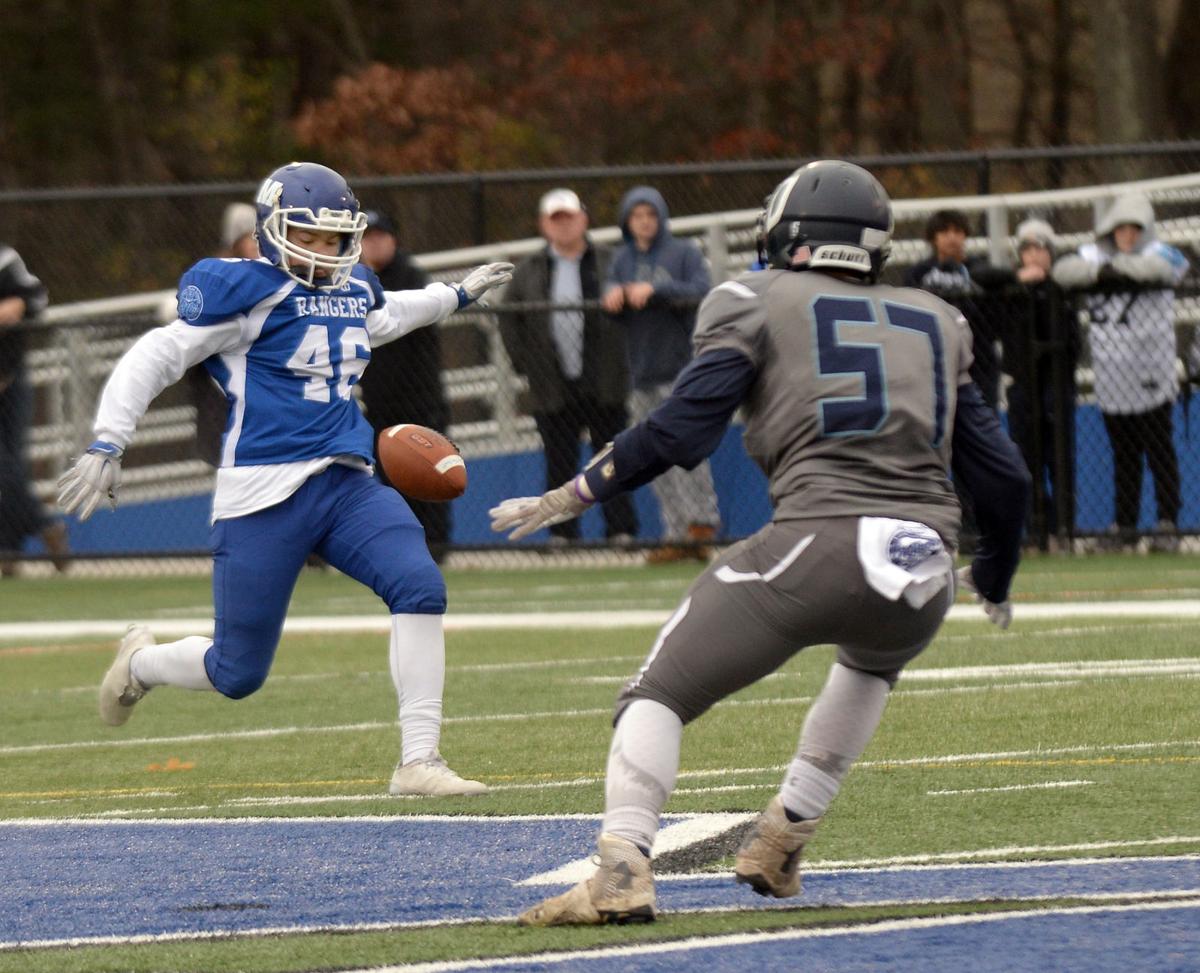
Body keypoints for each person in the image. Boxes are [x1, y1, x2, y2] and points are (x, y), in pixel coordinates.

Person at [491, 160, 1029, 925]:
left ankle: (620, 869)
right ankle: (782, 837)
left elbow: (682, 431)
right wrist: (995, 577)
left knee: (656, 694)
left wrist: (578, 491)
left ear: (788, 238)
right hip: (925, 566)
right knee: (871, 663)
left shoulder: (753, 297)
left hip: (818, 542)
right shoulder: (939, 318)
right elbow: (1003, 478)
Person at [57, 161, 513, 796]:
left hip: (345, 480)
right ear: (272, 230)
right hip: (262, 496)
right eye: (310, 235)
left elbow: (390, 316)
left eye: (334, 237)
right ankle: (142, 663)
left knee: (418, 585)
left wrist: (455, 294)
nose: (324, 249)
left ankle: (419, 760)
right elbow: (156, 354)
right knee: (236, 672)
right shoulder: (246, 294)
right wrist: (110, 437)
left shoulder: (354, 290)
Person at [1052, 193, 1189, 552]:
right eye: (1121, 228)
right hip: (1112, 375)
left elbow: (1164, 269)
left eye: (1134, 229)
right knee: (1124, 457)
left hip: (1151, 373)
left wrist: (1117, 270)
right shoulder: (1094, 256)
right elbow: (1062, 271)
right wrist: (1103, 272)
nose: (1127, 235)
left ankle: (1167, 523)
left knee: (1160, 452)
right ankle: (1125, 526)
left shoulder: (1160, 252)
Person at [498, 188, 636, 543]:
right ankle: (562, 533)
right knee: (559, 461)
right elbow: (508, 320)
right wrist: (525, 364)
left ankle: (620, 530)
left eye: (569, 217)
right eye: (555, 218)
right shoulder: (528, 271)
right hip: (552, 384)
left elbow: (633, 309)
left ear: (583, 219)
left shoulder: (612, 261)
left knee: (612, 460)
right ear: (543, 224)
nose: (563, 225)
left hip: (604, 380)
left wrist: (626, 359)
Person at [602, 186, 719, 563]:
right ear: (627, 221)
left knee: (686, 447)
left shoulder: (683, 252)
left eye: (651, 214)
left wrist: (655, 289)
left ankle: (701, 526)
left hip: (680, 370)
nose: (645, 222)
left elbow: (702, 290)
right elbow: (610, 295)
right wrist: (613, 296)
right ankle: (675, 532)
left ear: (661, 217)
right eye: (637, 216)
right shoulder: (622, 260)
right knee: (653, 456)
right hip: (641, 373)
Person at [356, 209, 453, 556]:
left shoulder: (412, 276)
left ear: (394, 239)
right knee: (392, 481)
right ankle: (407, 547)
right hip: (380, 403)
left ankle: (436, 546)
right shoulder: (356, 283)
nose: (373, 243)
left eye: (380, 236)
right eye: (367, 237)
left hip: (420, 401)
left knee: (430, 475)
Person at [1001, 218, 1079, 547]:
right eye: (1027, 249)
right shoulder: (1010, 290)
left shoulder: (1062, 290)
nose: (1033, 255)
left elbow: (1072, 344)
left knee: (1059, 461)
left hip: (1056, 388)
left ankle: (1063, 529)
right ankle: (1035, 530)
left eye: (1040, 248)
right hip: (1024, 388)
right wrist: (1020, 285)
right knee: (1025, 462)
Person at [0, 242, 68, 576]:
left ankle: (8, 551)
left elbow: (37, 297)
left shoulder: (5, 259)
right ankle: (44, 525)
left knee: (11, 465)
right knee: (5, 468)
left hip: (10, 379)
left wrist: (19, 303)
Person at [905, 209, 1012, 408]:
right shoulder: (919, 273)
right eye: (945, 232)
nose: (952, 237)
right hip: (934, 357)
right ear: (933, 237)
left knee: (982, 411)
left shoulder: (979, 269)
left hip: (978, 359)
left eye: (957, 231)